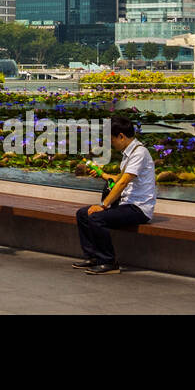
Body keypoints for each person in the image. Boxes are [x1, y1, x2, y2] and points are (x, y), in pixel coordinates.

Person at [73, 117, 156, 274]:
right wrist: (102, 174)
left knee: (96, 217)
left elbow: (123, 183)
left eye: (111, 139)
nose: (111, 143)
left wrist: (103, 205)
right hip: (126, 204)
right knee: (83, 214)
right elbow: (120, 179)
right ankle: (93, 257)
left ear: (121, 136)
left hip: (138, 208)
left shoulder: (140, 153)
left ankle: (109, 262)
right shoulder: (129, 153)